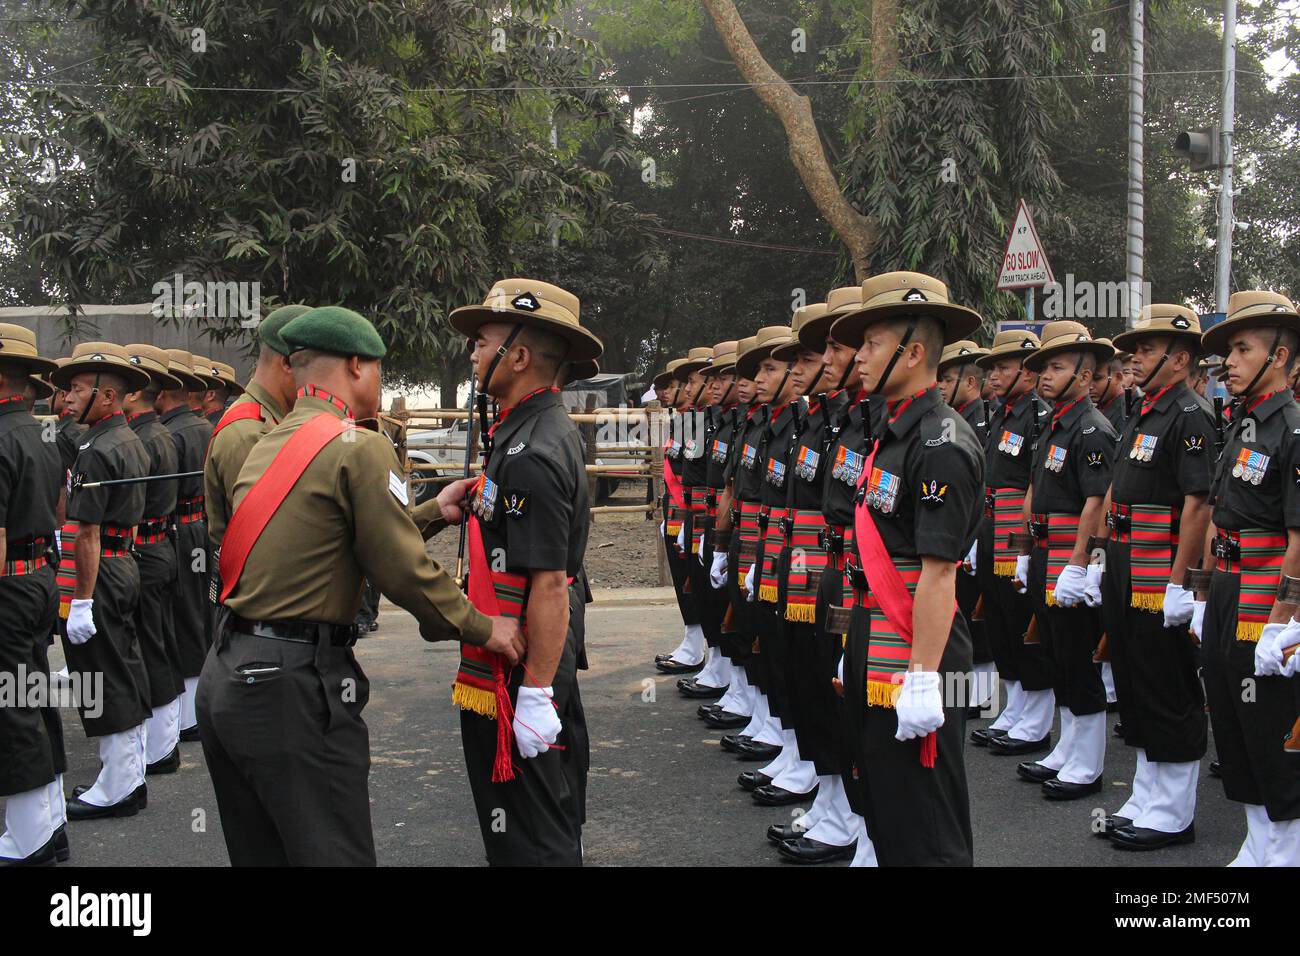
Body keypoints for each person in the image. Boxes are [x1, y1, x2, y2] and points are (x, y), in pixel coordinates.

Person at [196, 305, 522, 866]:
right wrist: (482, 626)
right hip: (293, 688)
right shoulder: (359, 444)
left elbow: (334, 538)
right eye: (378, 370)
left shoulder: (265, 441)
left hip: (229, 674)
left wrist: (429, 512)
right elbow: (396, 566)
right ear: (354, 366)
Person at [828, 270, 984, 866]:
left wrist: (922, 677)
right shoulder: (892, 433)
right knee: (885, 803)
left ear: (914, 352)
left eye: (871, 344)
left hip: (917, 656)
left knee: (926, 823)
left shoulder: (941, 440)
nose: (858, 358)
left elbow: (939, 573)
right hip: (878, 640)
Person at [447, 279, 600, 865]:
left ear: (517, 356)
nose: (473, 353)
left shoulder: (531, 449)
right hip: (525, 652)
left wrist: (536, 692)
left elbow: (549, 582)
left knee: (531, 831)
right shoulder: (517, 433)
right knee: (541, 817)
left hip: (522, 662)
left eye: (482, 341)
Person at [1098, 305, 1213, 849]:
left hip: (1156, 565)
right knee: (1136, 678)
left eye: (1146, 350)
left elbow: (1197, 505)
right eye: (1135, 350)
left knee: (1167, 683)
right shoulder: (1145, 411)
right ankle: (1147, 792)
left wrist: (1179, 583)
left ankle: (1173, 810)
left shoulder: (1190, 414)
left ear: (1180, 356)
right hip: (1125, 557)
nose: (1135, 359)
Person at [1195, 290, 1300, 866]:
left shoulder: (1292, 428)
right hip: (1231, 590)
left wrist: (1283, 623)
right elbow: (1219, 516)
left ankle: (1285, 849)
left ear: (1279, 356)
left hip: (1266, 597)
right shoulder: (1242, 425)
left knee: (1269, 724)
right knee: (1234, 723)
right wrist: (1202, 592)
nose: (1227, 362)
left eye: (1241, 349)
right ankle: (1260, 843)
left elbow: (1299, 536)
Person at [53, 342, 154, 820]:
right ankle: (125, 778)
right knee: (124, 669)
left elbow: (88, 531)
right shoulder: (126, 439)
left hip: (101, 572)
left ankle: (116, 788)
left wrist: (81, 602)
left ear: (108, 397)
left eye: (78, 389)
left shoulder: (98, 449)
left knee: (104, 675)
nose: (68, 398)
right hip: (122, 564)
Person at [1017, 321, 1117, 800]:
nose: (1045, 376)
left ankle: (1088, 765)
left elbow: (1096, 502)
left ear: (1084, 374)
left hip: (1068, 558)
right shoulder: (1054, 424)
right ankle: (1068, 746)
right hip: (1045, 551)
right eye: (1043, 368)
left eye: (1056, 366)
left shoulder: (1093, 428)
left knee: (1078, 661)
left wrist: (1082, 562)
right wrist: (1026, 551)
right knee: (1057, 656)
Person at [0, 325, 67, 865]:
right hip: (39, 577)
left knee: (11, 707)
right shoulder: (42, 435)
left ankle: (28, 839)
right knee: (32, 694)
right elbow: (61, 510)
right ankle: (49, 821)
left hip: (8, 584)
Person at [970, 331, 1053, 754]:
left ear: (1027, 369)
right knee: (1000, 625)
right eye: (993, 368)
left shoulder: (1038, 416)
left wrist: (1021, 546)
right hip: (990, 530)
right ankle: (1015, 708)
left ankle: (1036, 720)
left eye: (1004, 367)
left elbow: (1034, 485)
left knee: (1024, 624)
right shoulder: (1001, 414)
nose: (995, 375)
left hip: (1016, 535)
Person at [122, 345, 186, 776]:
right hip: (160, 545)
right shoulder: (157, 432)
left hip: (145, 548)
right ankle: (163, 738)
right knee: (158, 639)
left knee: (150, 644)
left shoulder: (146, 437)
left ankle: (161, 744)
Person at [678, 341, 742, 701]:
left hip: (755, 533)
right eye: (711, 377)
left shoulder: (739, 424)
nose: (712, 384)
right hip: (711, 520)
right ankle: (726, 674)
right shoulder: (710, 423)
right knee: (709, 598)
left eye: (725, 376)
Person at [156, 350, 215, 741]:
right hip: (201, 526)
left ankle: (189, 714)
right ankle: (194, 708)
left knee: (183, 615)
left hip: (178, 528)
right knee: (198, 612)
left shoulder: (171, 433)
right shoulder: (205, 428)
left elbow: (163, 493)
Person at [939, 340, 995, 714]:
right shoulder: (953, 419)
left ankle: (983, 697)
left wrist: (976, 535)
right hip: (962, 530)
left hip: (979, 529)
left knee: (977, 620)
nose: (940, 386)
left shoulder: (981, 420)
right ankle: (967, 696)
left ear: (971, 382)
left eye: (948, 379)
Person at [654, 357, 708, 675]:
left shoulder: (699, 422)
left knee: (696, 581)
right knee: (684, 580)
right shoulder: (683, 420)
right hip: (677, 510)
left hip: (694, 513)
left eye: (673, 385)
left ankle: (699, 646)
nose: (665, 392)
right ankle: (692, 640)